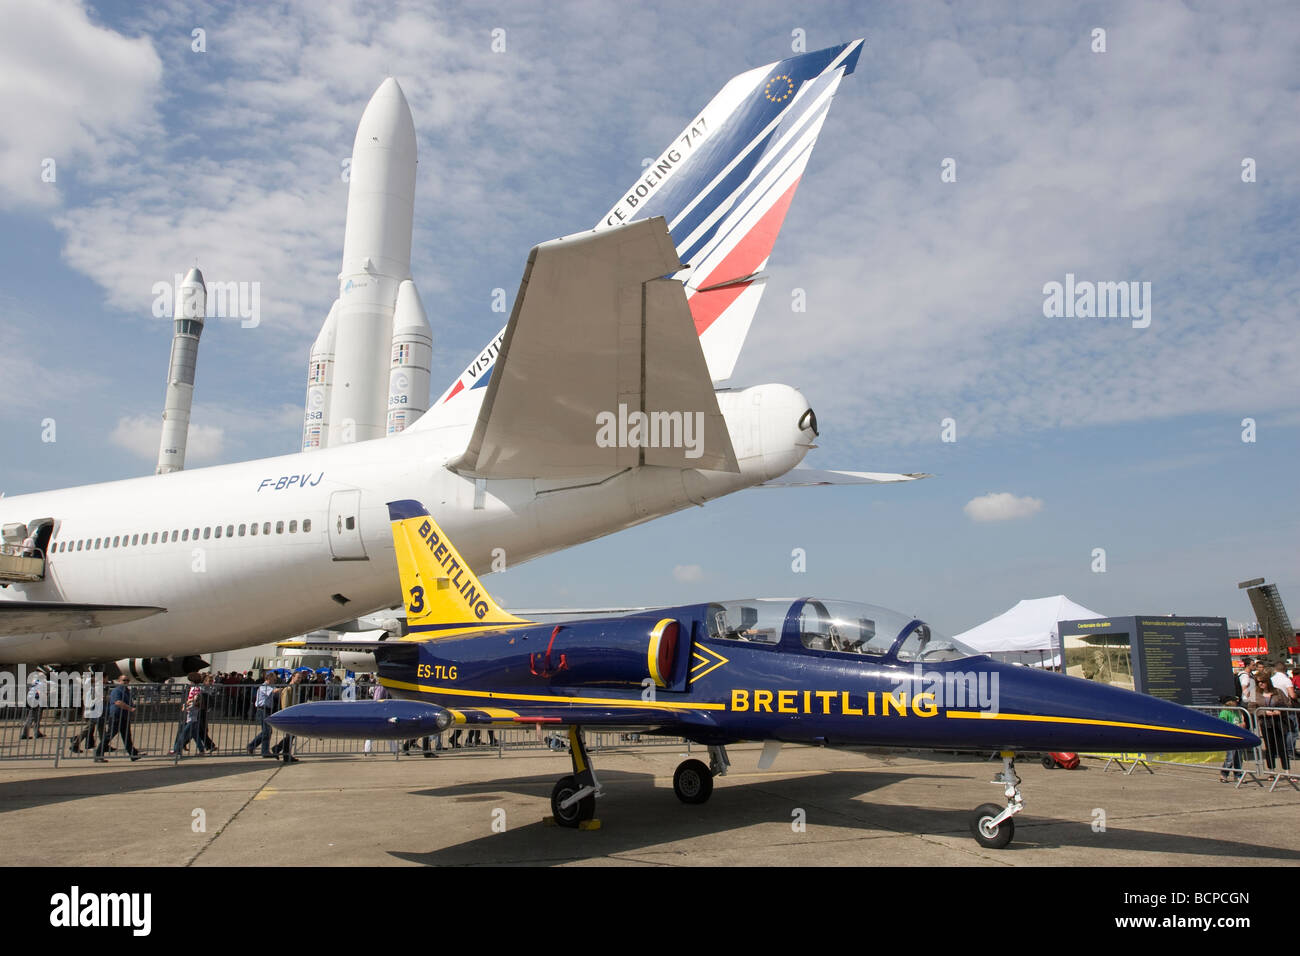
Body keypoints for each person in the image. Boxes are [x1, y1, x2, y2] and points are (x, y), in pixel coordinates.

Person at [95, 675, 143, 761]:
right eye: (124, 680)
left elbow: (129, 703)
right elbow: (118, 702)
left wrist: (131, 711)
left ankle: (133, 754)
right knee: (109, 735)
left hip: (124, 716)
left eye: (127, 680)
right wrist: (130, 709)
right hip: (116, 716)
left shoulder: (127, 691)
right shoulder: (117, 690)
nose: (126, 682)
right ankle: (98, 754)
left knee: (127, 736)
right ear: (119, 681)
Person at [1252, 678, 1291, 772]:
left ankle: (1287, 771)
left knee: (1282, 746)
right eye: (1258, 682)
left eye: (1262, 681)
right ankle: (1271, 771)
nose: (1260, 684)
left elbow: (1287, 704)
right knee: (1269, 747)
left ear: (1268, 682)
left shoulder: (1277, 691)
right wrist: (1264, 712)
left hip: (1279, 721)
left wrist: (1280, 710)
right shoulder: (1255, 693)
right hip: (1266, 722)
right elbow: (1251, 708)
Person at [69, 672, 105, 754]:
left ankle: (78, 742)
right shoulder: (91, 687)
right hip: (93, 712)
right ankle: (75, 742)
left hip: (92, 711)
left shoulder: (91, 688)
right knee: (88, 729)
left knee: (91, 729)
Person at [274, 671, 305, 763]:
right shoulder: (288, 689)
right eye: (298, 677)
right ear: (293, 677)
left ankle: (283, 752)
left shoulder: (296, 688)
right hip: (290, 715)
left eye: (300, 678)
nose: (299, 680)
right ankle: (280, 751)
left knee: (291, 735)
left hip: (295, 715)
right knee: (290, 735)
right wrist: (287, 715)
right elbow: (285, 703)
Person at [363, 681, 399, 755]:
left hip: (378, 709)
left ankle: (367, 749)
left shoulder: (379, 686)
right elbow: (379, 698)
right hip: (382, 710)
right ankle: (394, 750)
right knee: (387, 731)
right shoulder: (382, 687)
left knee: (376, 731)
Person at [248, 673, 279, 757]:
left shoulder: (270, 686)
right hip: (262, 710)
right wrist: (286, 688)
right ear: (269, 679)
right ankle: (251, 746)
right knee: (266, 731)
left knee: (268, 731)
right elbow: (275, 691)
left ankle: (264, 751)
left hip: (267, 710)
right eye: (274, 679)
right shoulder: (264, 687)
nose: (275, 681)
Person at [1217, 695, 1246, 782]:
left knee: (1238, 758)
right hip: (1230, 737)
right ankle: (1224, 774)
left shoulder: (1238, 712)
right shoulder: (1224, 713)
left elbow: (1242, 722)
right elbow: (1223, 725)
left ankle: (1238, 774)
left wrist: (1242, 724)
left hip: (1239, 737)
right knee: (1230, 758)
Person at [19, 668, 48, 739]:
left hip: (33, 699)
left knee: (37, 717)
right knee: (32, 717)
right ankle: (25, 734)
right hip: (36, 700)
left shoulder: (35, 680)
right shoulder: (40, 682)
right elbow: (39, 691)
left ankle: (36, 732)